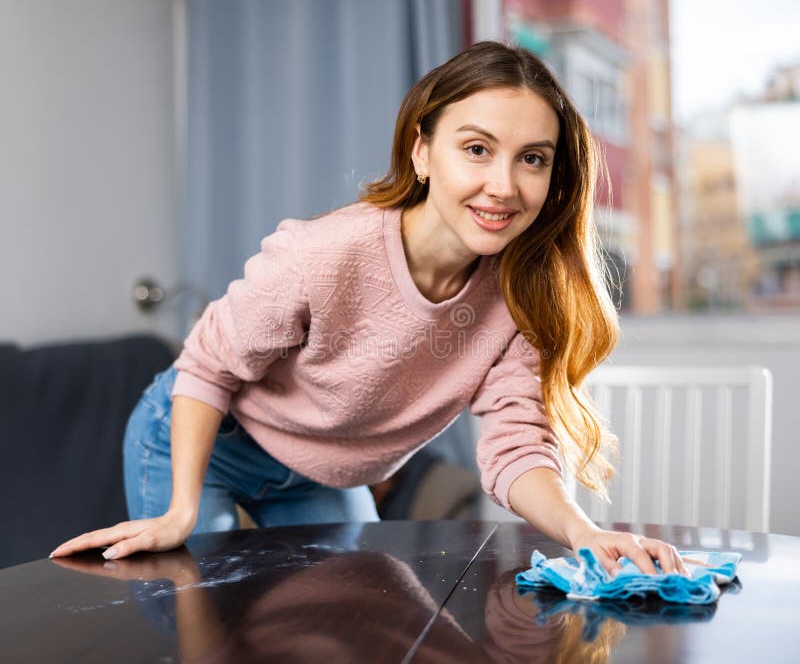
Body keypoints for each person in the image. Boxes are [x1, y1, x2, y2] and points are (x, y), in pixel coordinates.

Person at [51, 40, 689, 578]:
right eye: (476, 149)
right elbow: (207, 366)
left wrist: (584, 533)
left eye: (532, 160)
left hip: (322, 475)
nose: (503, 185)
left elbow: (515, 445)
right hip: (202, 440)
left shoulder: (523, 296)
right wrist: (179, 511)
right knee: (202, 615)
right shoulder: (323, 254)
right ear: (421, 152)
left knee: (355, 622)